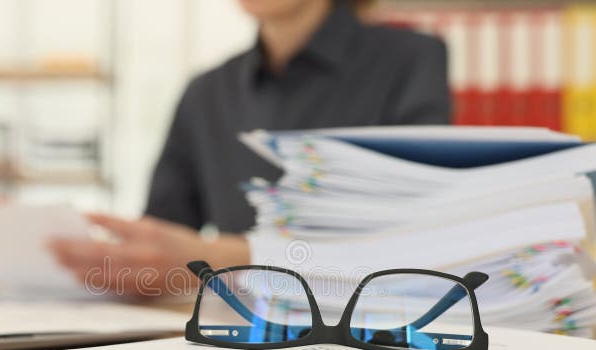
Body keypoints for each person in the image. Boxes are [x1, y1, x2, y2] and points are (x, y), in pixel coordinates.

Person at [50, 0, 450, 296]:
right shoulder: (207, 92)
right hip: (235, 330)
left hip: (363, 330)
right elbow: (161, 238)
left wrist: (221, 258)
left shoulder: (411, 60)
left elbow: (413, 239)